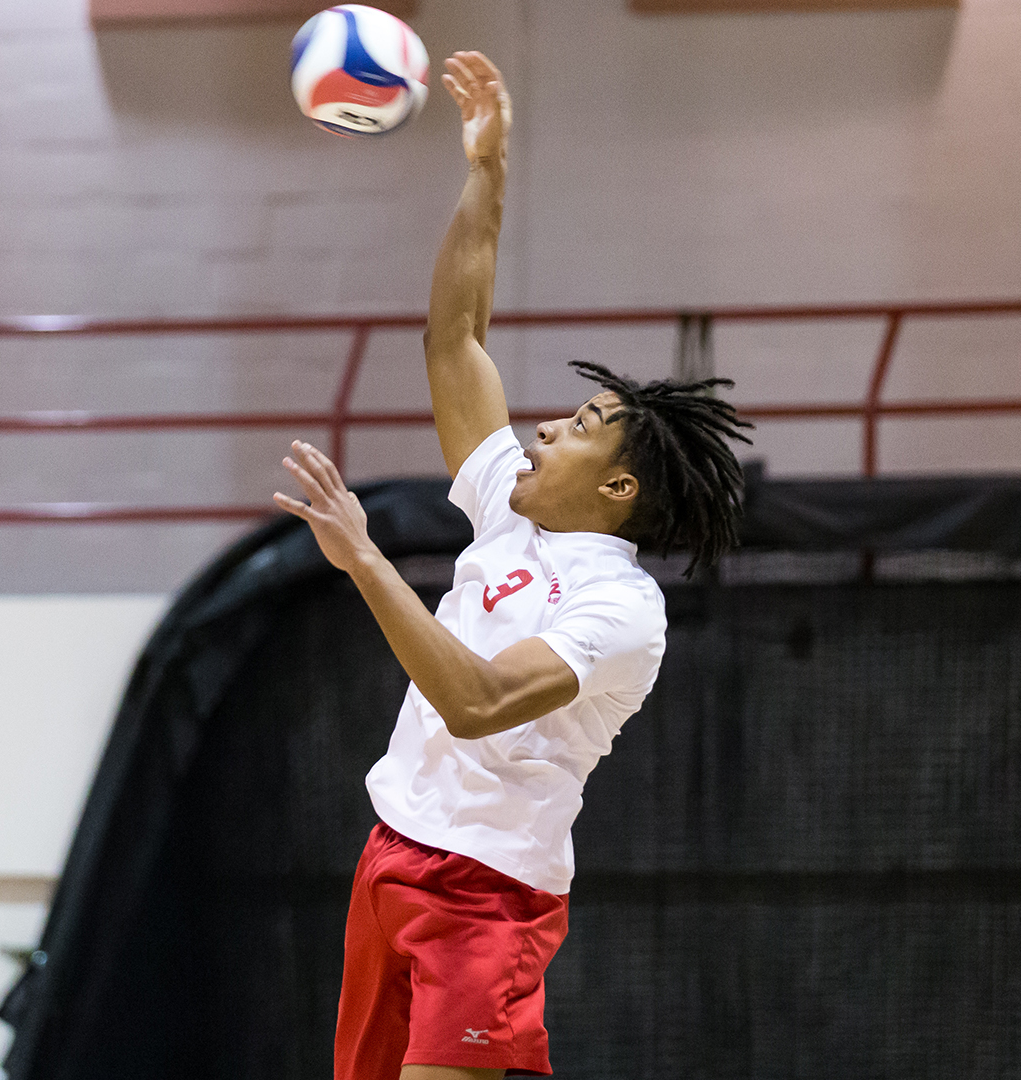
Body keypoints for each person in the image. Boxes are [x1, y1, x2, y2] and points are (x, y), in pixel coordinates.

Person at [272, 50, 753, 1080]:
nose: (541, 427)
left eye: (577, 426)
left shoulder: (619, 609)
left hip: (487, 893)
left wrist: (364, 560)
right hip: (392, 851)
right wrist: (486, 172)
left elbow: (482, 701)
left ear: (618, 488)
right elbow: (455, 338)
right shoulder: (508, 514)